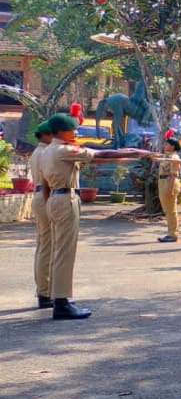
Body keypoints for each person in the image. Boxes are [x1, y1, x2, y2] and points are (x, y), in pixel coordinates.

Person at [33, 109, 146, 319]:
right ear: (61, 132)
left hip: (56, 199)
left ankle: (59, 297)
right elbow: (99, 154)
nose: (75, 131)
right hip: (65, 199)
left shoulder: (49, 151)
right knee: (64, 253)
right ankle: (61, 302)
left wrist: (128, 156)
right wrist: (134, 152)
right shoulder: (61, 149)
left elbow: (48, 183)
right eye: (72, 128)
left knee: (58, 251)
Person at [28, 121, 54, 308]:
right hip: (46, 196)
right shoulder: (46, 152)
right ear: (46, 135)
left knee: (44, 245)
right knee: (48, 246)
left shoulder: (38, 152)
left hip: (39, 196)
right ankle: (45, 292)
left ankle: (44, 290)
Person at [153, 130, 181, 242]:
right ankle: (170, 232)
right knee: (167, 210)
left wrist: (170, 189)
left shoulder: (174, 158)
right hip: (163, 182)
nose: (165, 145)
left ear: (173, 146)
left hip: (169, 182)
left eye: (167, 144)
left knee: (171, 210)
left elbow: (173, 175)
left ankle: (173, 234)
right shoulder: (167, 156)